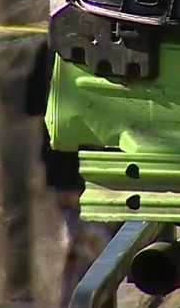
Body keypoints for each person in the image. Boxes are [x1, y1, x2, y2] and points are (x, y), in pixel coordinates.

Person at [23, 42, 117, 305]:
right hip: (102, 172)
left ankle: (74, 300)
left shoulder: (51, 46)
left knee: (84, 248)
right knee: (96, 251)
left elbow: (29, 104)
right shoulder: (117, 46)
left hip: (64, 173)